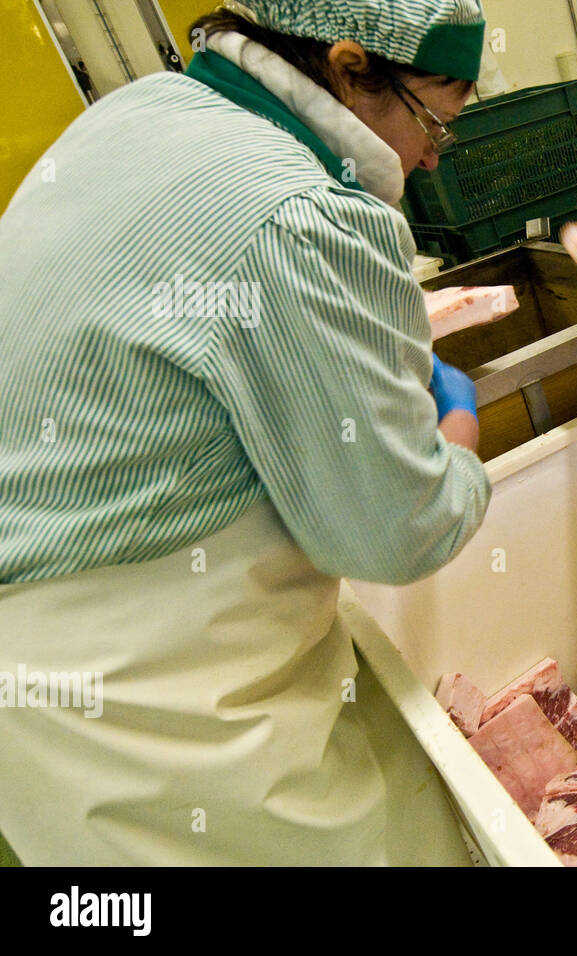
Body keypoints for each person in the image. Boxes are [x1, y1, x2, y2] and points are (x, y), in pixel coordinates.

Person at [0, 0, 492, 864]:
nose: (425, 158)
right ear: (347, 66)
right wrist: (456, 433)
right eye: (431, 124)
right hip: (143, 691)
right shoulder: (296, 211)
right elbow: (396, 531)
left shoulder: (143, 110)